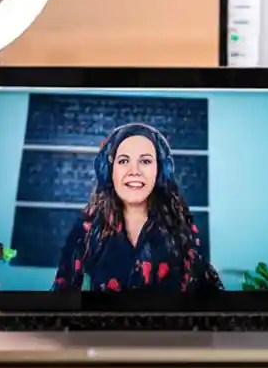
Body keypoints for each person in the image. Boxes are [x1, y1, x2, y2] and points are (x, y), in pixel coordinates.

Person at [52, 122, 222, 293]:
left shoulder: (180, 226)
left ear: (160, 170)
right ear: (110, 170)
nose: (135, 171)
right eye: (124, 161)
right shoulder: (86, 230)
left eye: (146, 161)